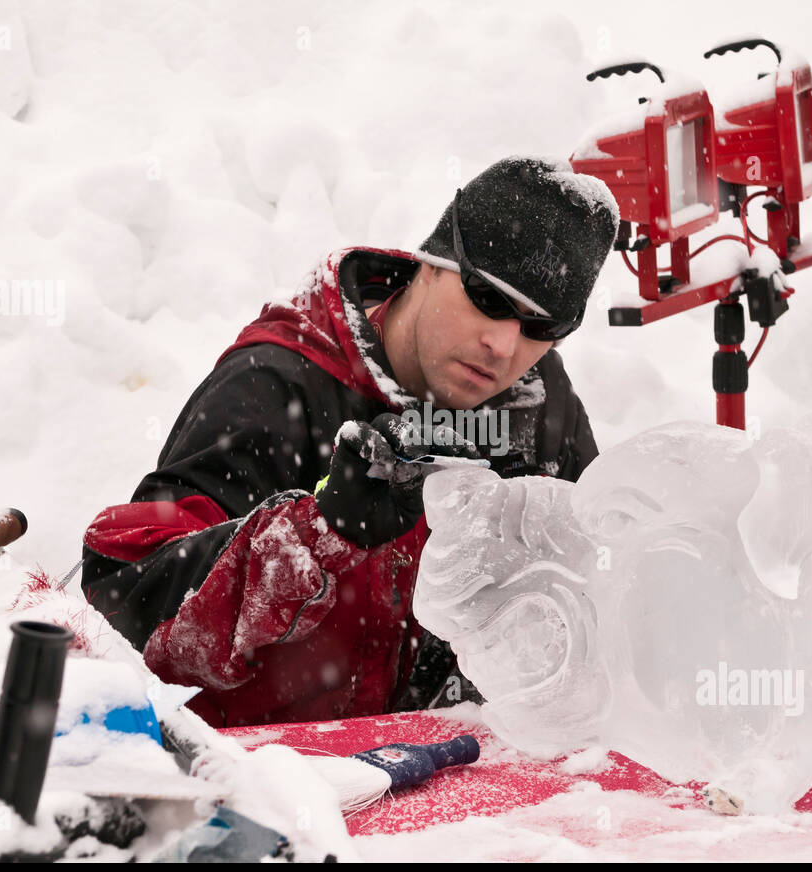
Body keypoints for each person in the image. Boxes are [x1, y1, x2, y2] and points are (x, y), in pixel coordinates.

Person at [80, 156, 620, 728]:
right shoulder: (275, 385)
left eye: (541, 328)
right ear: (431, 265)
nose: (502, 345)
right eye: (489, 299)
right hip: (282, 781)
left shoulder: (536, 406)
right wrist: (320, 531)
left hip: (467, 781)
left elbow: (607, 584)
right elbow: (121, 605)